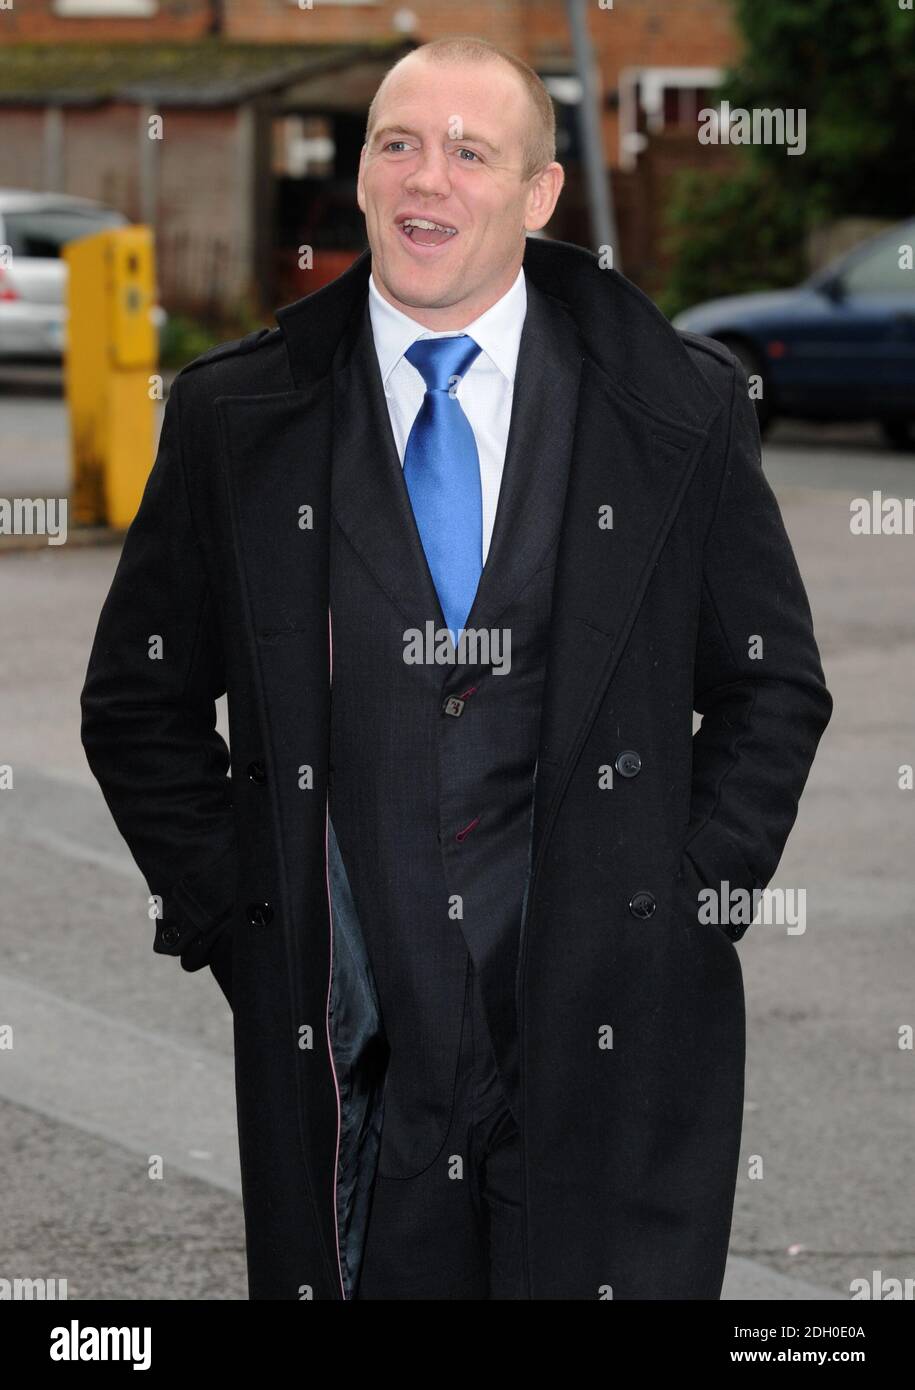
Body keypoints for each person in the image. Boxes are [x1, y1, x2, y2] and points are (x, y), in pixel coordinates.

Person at [80, 35, 832, 1300]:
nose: (426, 179)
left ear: (538, 197)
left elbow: (771, 685)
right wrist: (250, 926)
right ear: (364, 177)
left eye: (469, 152)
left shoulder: (677, 408)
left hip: (605, 1031)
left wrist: (686, 894)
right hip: (359, 1052)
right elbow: (137, 699)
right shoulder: (236, 420)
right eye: (397, 144)